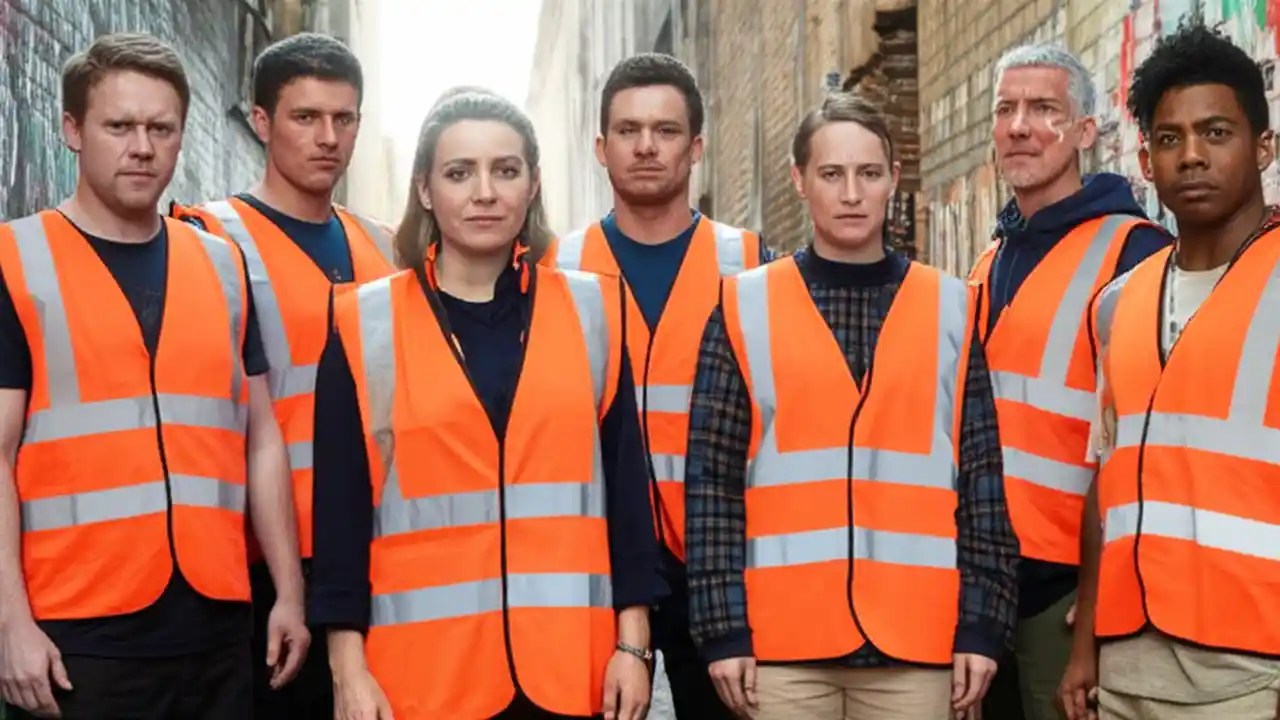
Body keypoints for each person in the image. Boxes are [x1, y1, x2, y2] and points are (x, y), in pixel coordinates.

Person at [308, 89, 658, 720]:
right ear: (424, 190)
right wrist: (346, 668)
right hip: (422, 676)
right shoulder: (365, 324)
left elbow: (628, 494)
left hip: (569, 671)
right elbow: (339, 514)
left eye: (505, 169)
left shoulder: (592, 313)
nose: (485, 192)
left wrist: (634, 646)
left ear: (533, 185)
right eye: (459, 172)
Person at [0, 33, 308, 719]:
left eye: (161, 128)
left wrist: (288, 591)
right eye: (119, 126)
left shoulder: (224, 266)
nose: (142, 146)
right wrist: (8, 624)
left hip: (216, 625)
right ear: (73, 130)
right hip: (76, 637)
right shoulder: (16, 262)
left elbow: (261, 438)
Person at [685, 91, 1018, 720]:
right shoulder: (742, 307)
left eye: (868, 174)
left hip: (917, 649)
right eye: (831, 174)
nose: (851, 193)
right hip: (782, 653)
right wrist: (722, 630)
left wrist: (982, 625)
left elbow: (982, 487)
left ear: (893, 180)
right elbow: (712, 486)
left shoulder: (951, 307)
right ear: (800, 180)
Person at [169, 32, 395, 719]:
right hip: (269, 568)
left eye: (344, 118)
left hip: (380, 555)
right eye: (305, 117)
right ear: (262, 122)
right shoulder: (205, 239)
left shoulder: (383, 248)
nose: (328, 137)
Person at [1061, 22, 1280, 720]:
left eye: (1217, 133)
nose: (1191, 156)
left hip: (1247, 671)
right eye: (1168, 138)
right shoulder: (1118, 303)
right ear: (1145, 162)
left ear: (1263, 146)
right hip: (1129, 662)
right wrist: (1088, 643)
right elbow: (1106, 481)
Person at [542, 53, 766, 719]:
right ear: (600, 147)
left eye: (665, 131)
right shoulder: (557, 266)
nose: (645, 146)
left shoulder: (751, 264)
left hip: (722, 557)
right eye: (628, 129)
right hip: (597, 557)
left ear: (696, 146)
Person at [969, 43, 1173, 720]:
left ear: (1086, 131)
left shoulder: (1134, 252)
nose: (1020, 126)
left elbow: (1156, 444)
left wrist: (1103, 592)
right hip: (983, 581)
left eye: (1043, 109)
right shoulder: (990, 259)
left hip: (1067, 593)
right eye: (1006, 109)